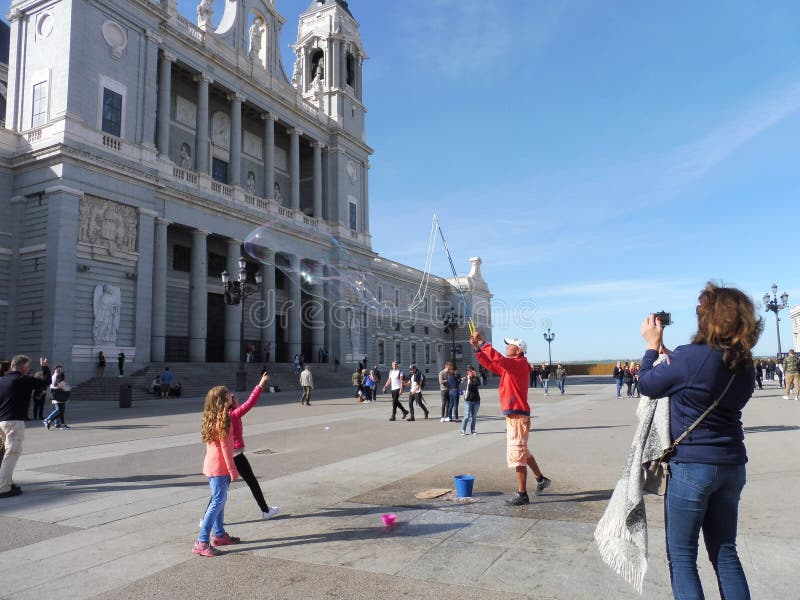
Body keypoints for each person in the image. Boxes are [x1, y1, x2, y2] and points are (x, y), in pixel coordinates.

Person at [637, 282, 762, 599]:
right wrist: (674, 360)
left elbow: (648, 384)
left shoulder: (691, 358)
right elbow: (703, 377)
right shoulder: (745, 364)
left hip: (693, 467)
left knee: (682, 559)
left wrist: (653, 346)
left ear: (711, 319)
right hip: (732, 466)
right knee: (725, 554)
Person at [470, 332, 550, 505]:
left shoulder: (518, 364)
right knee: (522, 451)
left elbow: (498, 359)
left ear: (518, 350)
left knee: (517, 455)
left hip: (518, 415)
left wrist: (483, 342)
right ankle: (541, 479)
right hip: (515, 415)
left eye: (510, 344)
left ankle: (522, 494)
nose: (507, 346)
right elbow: (491, 364)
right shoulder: (512, 365)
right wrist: (477, 348)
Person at [204, 373, 279, 522]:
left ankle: (206, 517)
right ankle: (265, 510)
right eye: (232, 397)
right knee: (248, 483)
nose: (234, 397)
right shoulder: (233, 415)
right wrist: (261, 384)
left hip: (231, 455)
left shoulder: (224, 414)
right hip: (235, 455)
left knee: (221, 490)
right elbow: (250, 402)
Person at [193, 384, 241, 557]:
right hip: (220, 468)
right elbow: (226, 449)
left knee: (219, 501)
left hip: (211, 466)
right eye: (228, 393)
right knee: (217, 503)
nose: (231, 394)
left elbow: (234, 414)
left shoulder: (213, 417)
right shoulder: (223, 421)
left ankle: (219, 535)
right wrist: (232, 469)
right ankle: (202, 541)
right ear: (222, 399)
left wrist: (234, 404)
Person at [0, 355, 49, 497]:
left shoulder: (2, 380)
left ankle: (6, 481)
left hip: (1, 423)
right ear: (24, 367)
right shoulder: (23, 379)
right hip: (13, 422)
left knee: (3, 453)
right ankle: (3, 488)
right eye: (28, 367)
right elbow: (45, 382)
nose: (29, 370)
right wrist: (44, 367)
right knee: (12, 453)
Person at [460, 365, 481, 435]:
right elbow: (465, 388)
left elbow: (479, 384)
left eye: (472, 371)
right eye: (469, 371)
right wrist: (468, 380)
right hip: (468, 400)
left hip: (476, 400)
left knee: (474, 416)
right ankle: (463, 430)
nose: (470, 372)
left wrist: (476, 376)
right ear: (467, 372)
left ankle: (473, 430)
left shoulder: (475, 378)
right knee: (466, 416)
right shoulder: (465, 379)